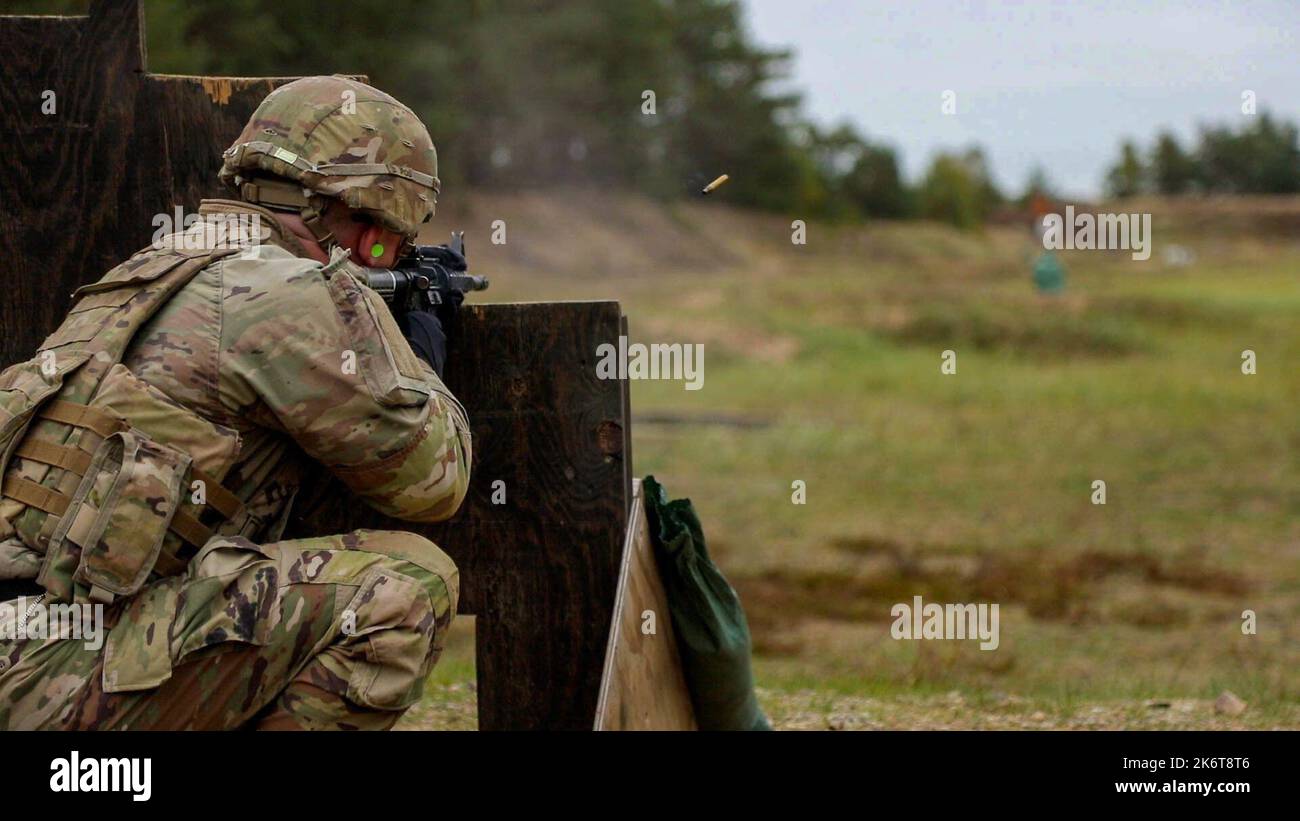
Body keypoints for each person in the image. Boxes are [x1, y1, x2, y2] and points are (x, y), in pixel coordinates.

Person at [0, 76, 471, 730]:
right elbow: (433, 482)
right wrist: (419, 355)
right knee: (407, 589)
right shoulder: (293, 291)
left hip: (27, 643)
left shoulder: (153, 267)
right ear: (360, 212)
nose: (379, 258)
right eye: (384, 241)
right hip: (52, 677)